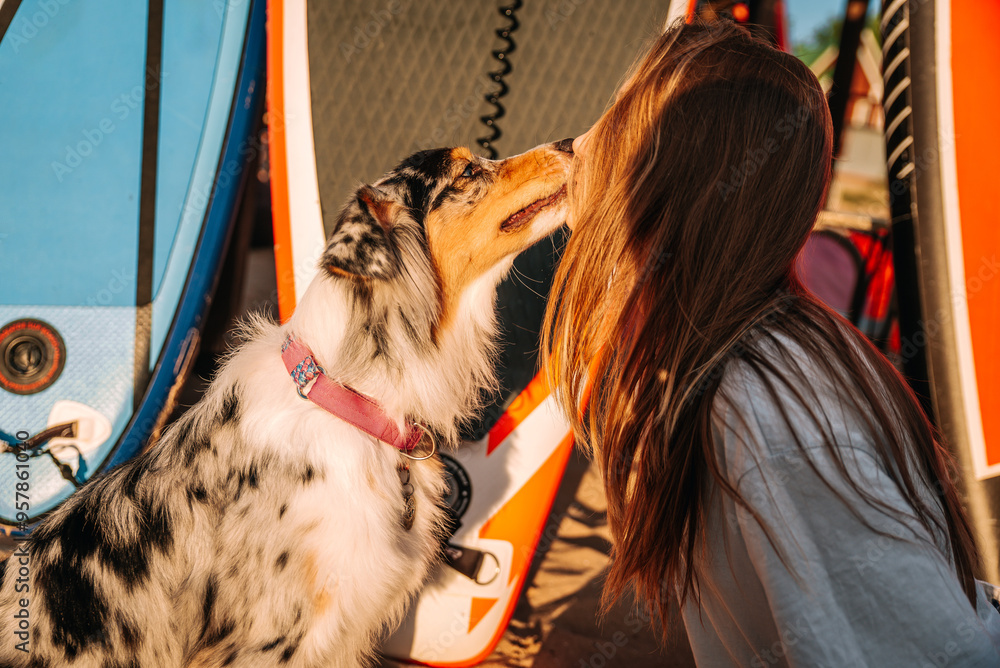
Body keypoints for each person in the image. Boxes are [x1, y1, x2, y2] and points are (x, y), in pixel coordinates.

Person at [541, 18, 1000, 666]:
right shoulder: (727, 370)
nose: (581, 144)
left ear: (673, 178)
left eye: (618, 122)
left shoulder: (761, 407)